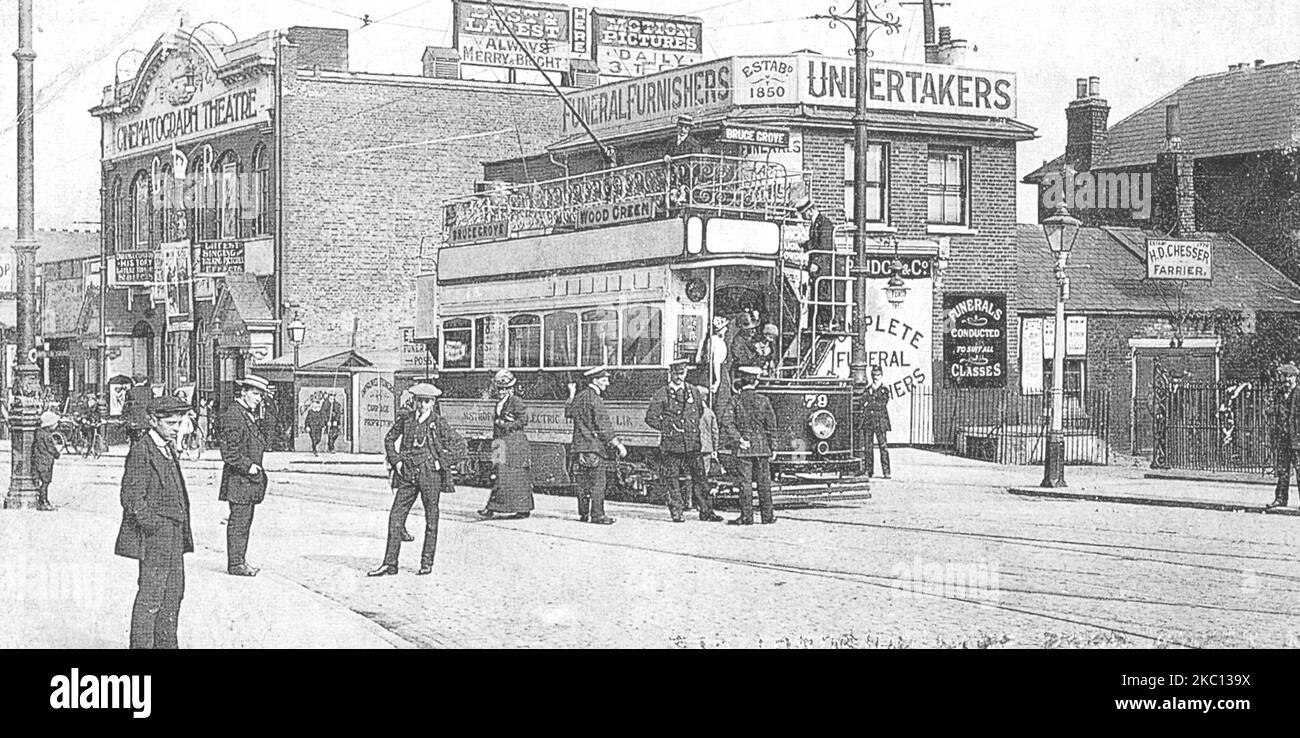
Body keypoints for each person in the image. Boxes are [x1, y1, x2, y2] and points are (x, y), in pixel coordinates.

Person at [114, 395, 194, 649]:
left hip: (174, 534)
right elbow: (131, 498)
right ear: (153, 421)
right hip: (157, 536)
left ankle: (166, 645)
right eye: (170, 423)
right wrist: (155, 525)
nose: (176, 428)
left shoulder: (167, 447)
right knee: (151, 597)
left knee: (173, 594)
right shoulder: (141, 451)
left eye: (178, 423)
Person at [369, 383, 458, 576]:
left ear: (432, 403)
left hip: (430, 476)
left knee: (431, 520)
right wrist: (397, 462)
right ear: (414, 401)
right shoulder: (406, 419)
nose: (421, 405)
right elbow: (389, 440)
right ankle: (390, 564)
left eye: (426, 401)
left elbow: (461, 447)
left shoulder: (439, 423)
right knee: (395, 518)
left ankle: (427, 563)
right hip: (408, 474)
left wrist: (440, 464)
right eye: (418, 401)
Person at [645, 360, 722, 523]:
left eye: (682, 374)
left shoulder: (693, 391)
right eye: (676, 374)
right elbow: (650, 418)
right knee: (672, 479)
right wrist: (668, 428)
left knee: (700, 478)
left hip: (692, 443)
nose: (679, 377)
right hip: (672, 445)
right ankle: (677, 512)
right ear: (670, 374)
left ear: (686, 373)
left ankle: (707, 511)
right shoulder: (662, 394)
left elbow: (699, 412)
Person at [219, 375, 271, 577]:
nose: (258, 399)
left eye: (261, 396)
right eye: (255, 394)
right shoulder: (234, 415)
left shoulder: (245, 413)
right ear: (244, 392)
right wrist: (250, 467)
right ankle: (236, 564)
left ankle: (240, 560)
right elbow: (229, 453)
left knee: (243, 522)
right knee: (239, 523)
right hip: (240, 480)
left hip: (245, 482)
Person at [566, 367, 626, 525]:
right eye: (604, 380)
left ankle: (584, 513)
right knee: (598, 483)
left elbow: (568, 412)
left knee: (583, 483)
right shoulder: (595, 399)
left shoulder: (580, 397)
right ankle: (598, 515)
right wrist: (618, 445)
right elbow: (604, 426)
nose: (608, 383)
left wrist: (571, 393)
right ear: (595, 381)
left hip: (578, 448)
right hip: (593, 448)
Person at [723, 366, 778, 526]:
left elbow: (727, 422)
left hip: (744, 448)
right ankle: (767, 517)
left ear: (741, 381)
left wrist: (739, 439)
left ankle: (747, 517)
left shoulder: (735, 400)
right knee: (764, 483)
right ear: (756, 381)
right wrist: (773, 447)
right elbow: (772, 425)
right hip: (762, 448)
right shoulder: (764, 400)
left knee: (745, 483)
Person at [479, 370, 535, 520]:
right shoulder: (500, 403)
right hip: (499, 442)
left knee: (511, 476)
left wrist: (505, 424)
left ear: (511, 388)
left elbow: (523, 421)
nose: (502, 391)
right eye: (500, 389)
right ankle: (502, 507)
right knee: (498, 473)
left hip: (513, 443)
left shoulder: (516, 401)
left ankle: (495, 508)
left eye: (505, 389)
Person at [795, 196, 839, 332]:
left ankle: (826, 323)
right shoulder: (816, 223)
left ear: (810, 211)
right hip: (818, 268)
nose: (804, 218)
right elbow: (816, 243)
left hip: (824, 267)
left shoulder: (825, 223)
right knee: (815, 295)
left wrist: (816, 264)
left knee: (823, 295)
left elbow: (825, 247)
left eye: (804, 214)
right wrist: (806, 244)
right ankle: (816, 324)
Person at [1268, 363, 1300, 510]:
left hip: (1297, 439)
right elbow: (1273, 414)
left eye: (1290, 377)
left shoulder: (1298, 394)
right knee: (1282, 471)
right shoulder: (1279, 394)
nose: (1287, 380)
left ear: (1295, 378)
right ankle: (1280, 499)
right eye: (1284, 376)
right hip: (1283, 439)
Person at [858, 366, 893, 479]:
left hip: (880, 421)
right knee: (868, 448)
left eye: (877, 375)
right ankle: (869, 470)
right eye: (873, 375)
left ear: (881, 375)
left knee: (883, 447)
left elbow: (882, 404)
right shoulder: (868, 389)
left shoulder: (884, 390)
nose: (875, 377)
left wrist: (869, 404)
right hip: (869, 421)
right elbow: (862, 401)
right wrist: (868, 403)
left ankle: (886, 472)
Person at [32, 410, 60, 511]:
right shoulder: (47, 435)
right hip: (45, 462)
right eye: (55, 424)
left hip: (39, 460)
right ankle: (43, 501)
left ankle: (44, 500)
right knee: (45, 482)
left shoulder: (39, 432)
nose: (56, 426)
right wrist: (57, 454)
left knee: (43, 482)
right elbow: (51, 447)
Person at [122, 374, 154, 440]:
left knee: (134, 439)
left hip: (135, 419)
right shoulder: (149, 391)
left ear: (134, 381)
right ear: (145, 381)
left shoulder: (130, 391)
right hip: (146, 418)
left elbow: (126, 406)